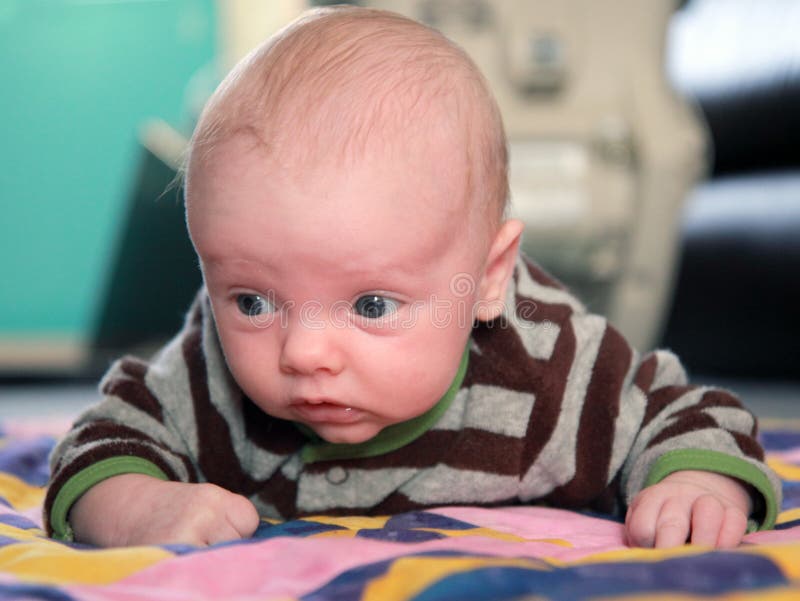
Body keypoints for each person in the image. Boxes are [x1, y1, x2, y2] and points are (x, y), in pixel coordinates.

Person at [45, 6, 780, 549]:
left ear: (488, 278)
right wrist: (134, 503)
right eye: (253, 299)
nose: (303, 352)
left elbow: (692, 415)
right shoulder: (212, 376)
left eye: (369, 303)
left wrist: (693, 482)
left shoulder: (551, 375)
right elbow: (105, 436)